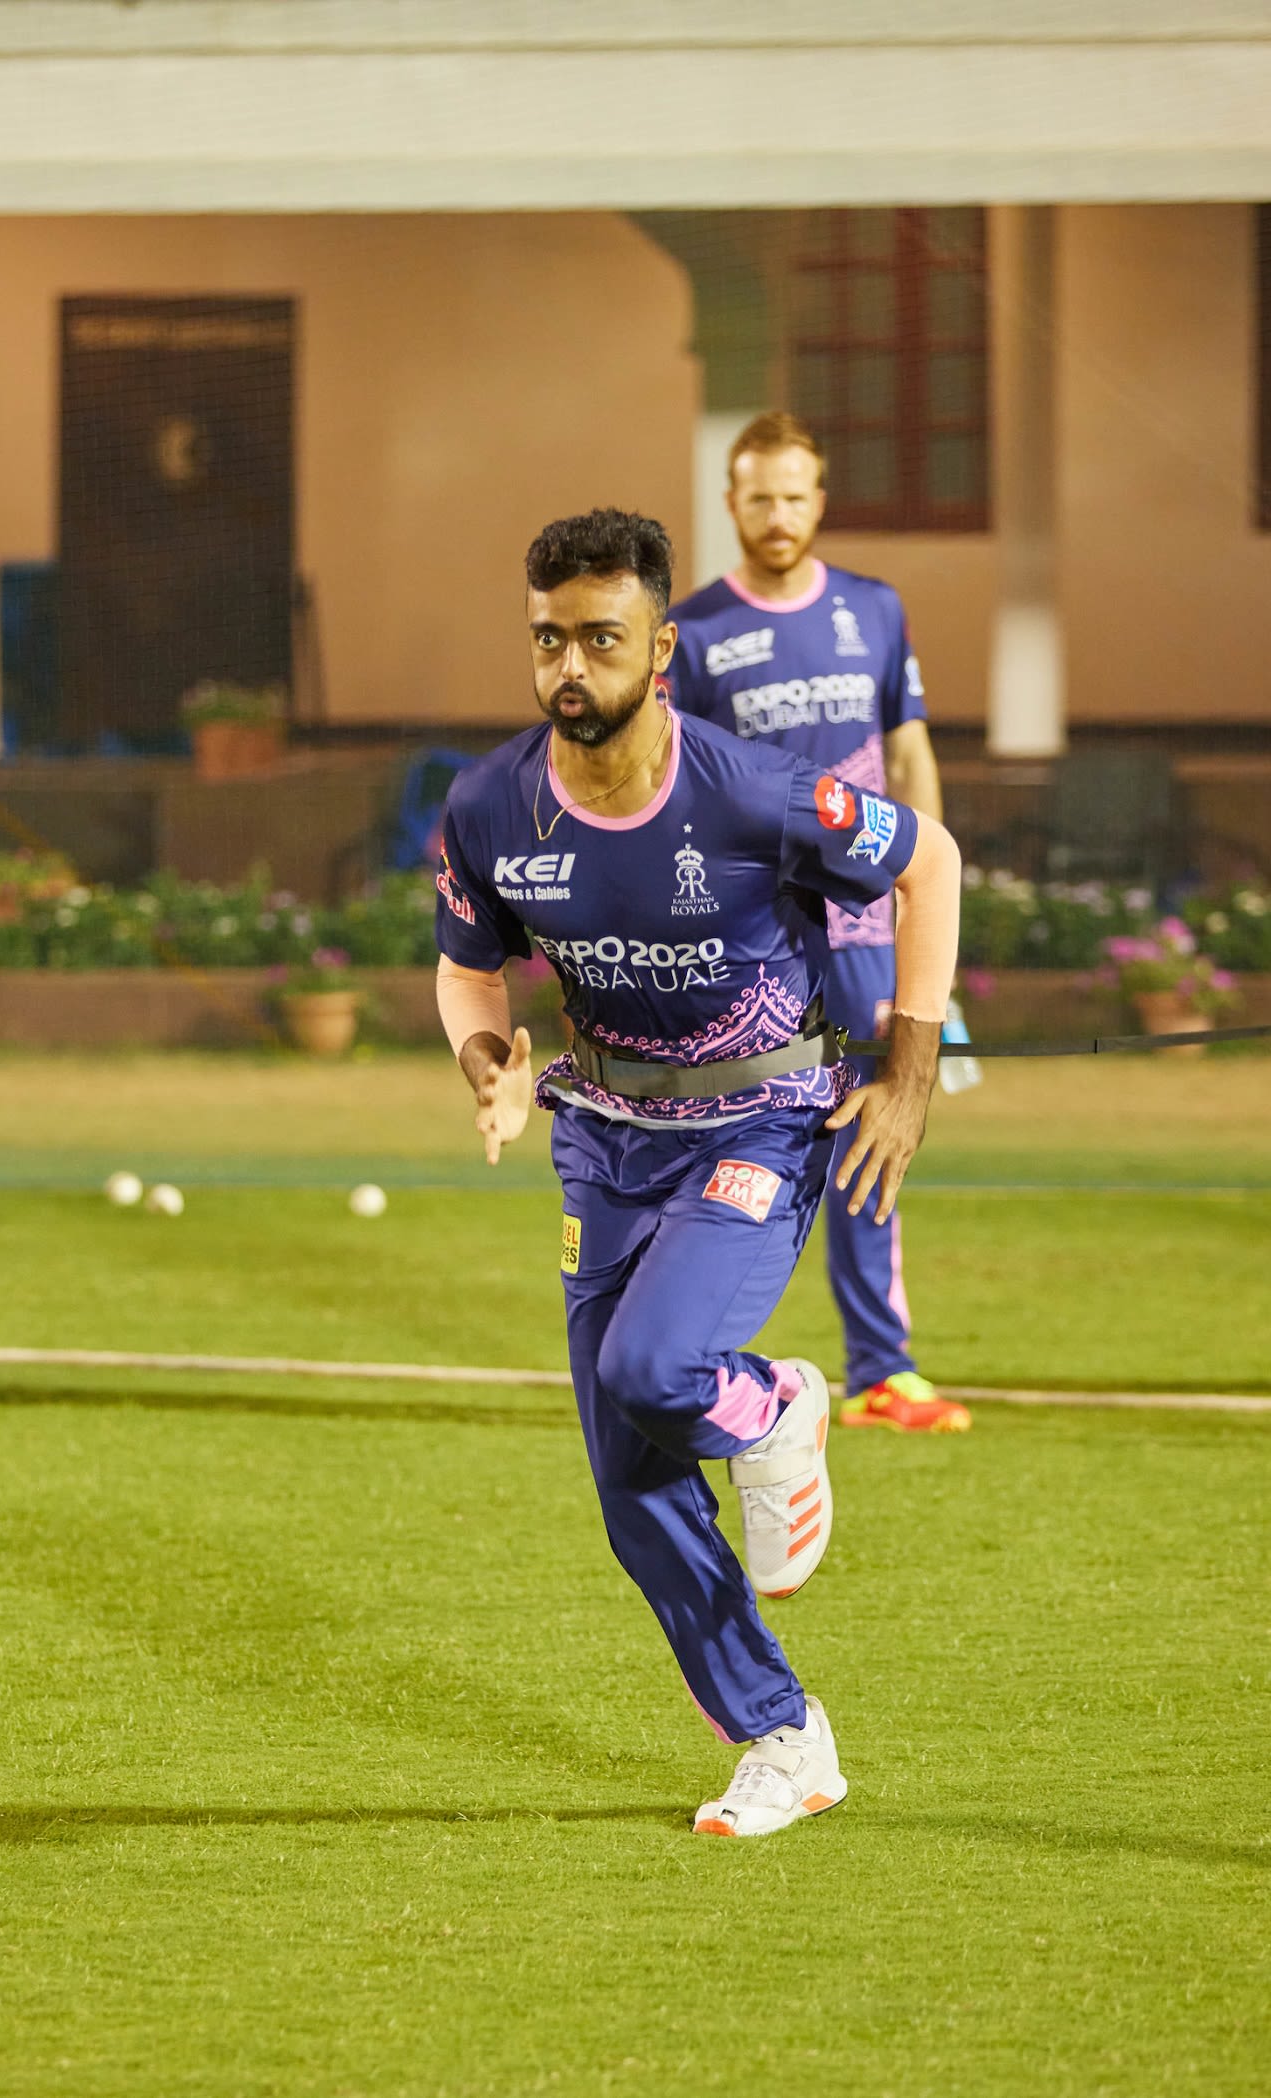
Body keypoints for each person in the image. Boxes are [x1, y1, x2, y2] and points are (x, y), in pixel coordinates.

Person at [435, 508, 960, 1838]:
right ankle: (785, 1736)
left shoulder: (751, 788)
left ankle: (780, 1403)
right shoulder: (490, 803)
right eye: (548, 637)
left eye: (599, 639)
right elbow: (468, 959)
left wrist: (905, 1069)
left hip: (756, 1127)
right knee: (629, 1488)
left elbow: (929, 861)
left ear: (659, 648)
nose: (570, 666)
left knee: (653, 1369)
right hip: (601, 1140)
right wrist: (489, 1056)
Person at [669, 411, 970, 1434]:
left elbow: (907, 750)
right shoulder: (695, 632)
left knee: (871, 1130)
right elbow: (681, 789)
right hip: (755, 937)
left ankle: (880, 1369)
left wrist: (919, 881)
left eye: (794, 494)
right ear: (730, 503)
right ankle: (679, 1349)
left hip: (867, 935)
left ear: (819, 498)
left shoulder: (873, 611)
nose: (777, 514)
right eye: (758, 496)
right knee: (724, 1131)